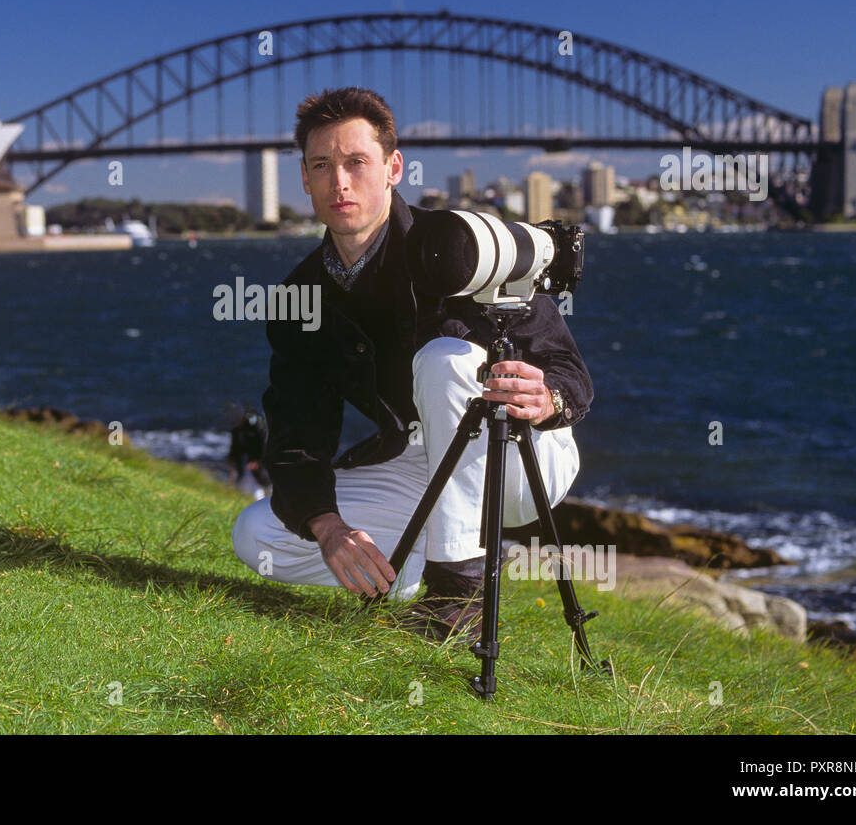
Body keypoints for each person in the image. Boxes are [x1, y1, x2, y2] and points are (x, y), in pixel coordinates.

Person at [230, 87, 593, 640]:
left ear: (393, 167)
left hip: (522, 453)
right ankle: (410, 568)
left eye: (357, 162)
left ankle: (459, 594)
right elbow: (298, 435)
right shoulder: (301, 295)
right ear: (304, 178)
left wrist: (548, 400)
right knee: (257, 534)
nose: (340, 182)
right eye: (322, 166)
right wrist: (326, 526)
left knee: (446, 360)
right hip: (423, 459)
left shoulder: (460, 248)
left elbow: (567, 367)